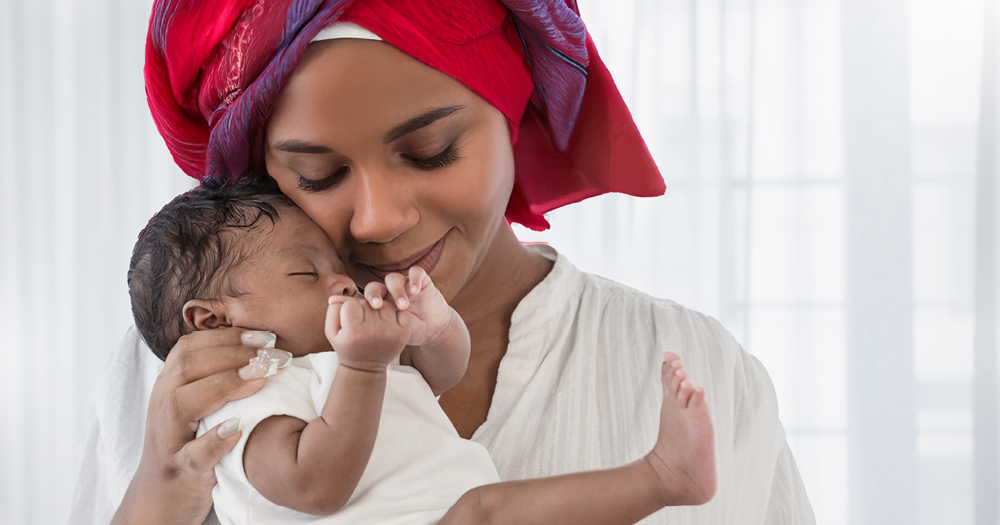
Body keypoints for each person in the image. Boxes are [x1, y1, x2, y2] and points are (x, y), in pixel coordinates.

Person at [69, 1, 815, 524]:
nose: (379, 218)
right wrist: (152, 506)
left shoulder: (688, 368)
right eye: (319, 175)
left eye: (431, 151)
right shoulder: (180, 383)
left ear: (511, 107)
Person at [125, 182, 715, 525]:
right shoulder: (246, 402)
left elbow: (439, 377)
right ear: (213, 320)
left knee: (492, 510)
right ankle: (661, 477)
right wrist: (364, 366)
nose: (342, 281)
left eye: (336, 264)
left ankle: (665, 475)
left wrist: (433, 331)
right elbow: (313, 485)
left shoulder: (343, 356)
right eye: (307, 272)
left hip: (448, 511)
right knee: (488, 512)